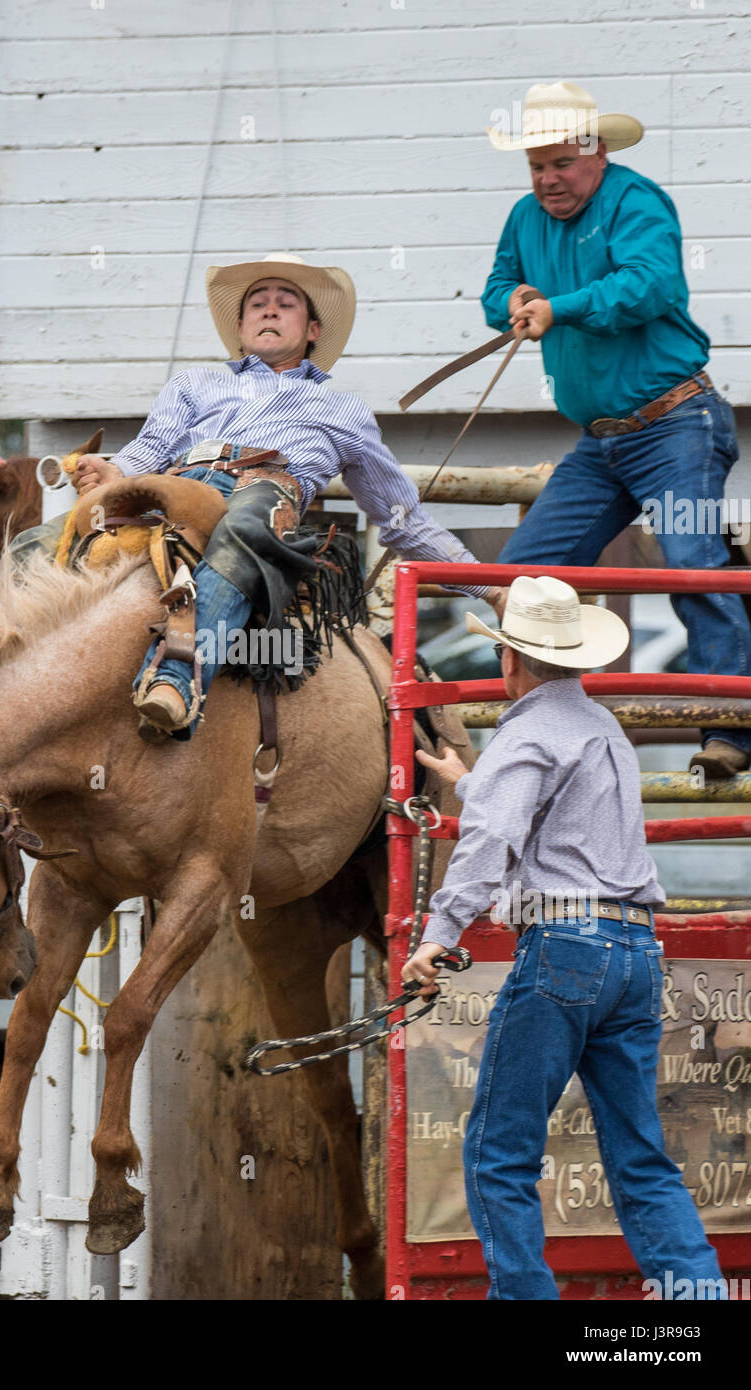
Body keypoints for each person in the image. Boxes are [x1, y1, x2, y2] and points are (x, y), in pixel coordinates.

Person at [403, 574, 725, 1301]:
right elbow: (554, 816)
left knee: (499, 1152)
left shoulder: (527, 731)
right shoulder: (601, 727)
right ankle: (697, 1298)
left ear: (509, 663)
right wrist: (471, 783)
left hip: (565, 949)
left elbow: (493, 838)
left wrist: (439, 933)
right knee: (641, 1156)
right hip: (636, 949)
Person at [69, 253, 506, 741]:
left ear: (314, 328)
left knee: (250, 524)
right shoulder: (194, 382)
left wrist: (488, 588)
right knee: (51, 538)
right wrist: (116, 469)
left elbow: (403, 518)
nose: (269, 310)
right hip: (181, 485)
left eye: (285, 303)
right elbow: (150, 448)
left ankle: (176, 679)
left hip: (266, 490)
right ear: (241, 326)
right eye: (258, 303)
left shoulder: (344, 411)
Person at [481, 80, 750, 779]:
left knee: (692, 565)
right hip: (605, 439)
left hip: (674, 422)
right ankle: (539, 725)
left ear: (595, 153)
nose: (547, 178)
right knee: (516, 575)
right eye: (536, 165)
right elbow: (495, 288)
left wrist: (557, 307)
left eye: (560, 163)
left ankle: (729, 728)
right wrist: (510, 298)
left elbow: (649, 286)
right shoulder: (524, 217)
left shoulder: (636, 199)